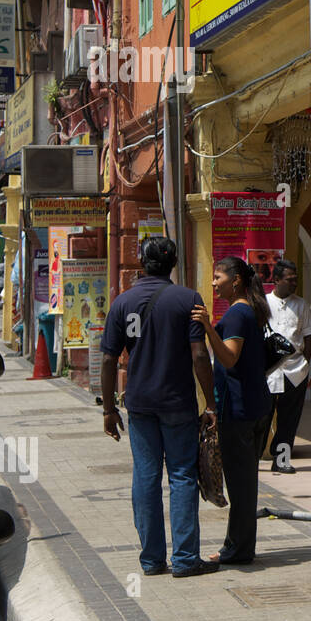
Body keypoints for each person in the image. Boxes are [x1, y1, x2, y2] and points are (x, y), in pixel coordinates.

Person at [100, 237, 220, 578]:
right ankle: (185, 559)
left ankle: (152, 560)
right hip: (178, 402)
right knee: (182, 476)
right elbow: (200, 355)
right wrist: (211, 403)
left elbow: (108, 359)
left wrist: (108, 409)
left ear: (142, 262)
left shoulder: (122, 303)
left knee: (146, 477)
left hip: (139, 404)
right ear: (173, 263)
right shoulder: (188, 299)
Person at [192, 256, 272, 566]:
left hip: (240, 411)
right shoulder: (248, 310)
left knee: (240, 485)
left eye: (218, 277)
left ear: (235, 280)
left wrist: (208, 327)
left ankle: (238, 550)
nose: (214, 283)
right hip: (252, 406)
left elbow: (229, 358)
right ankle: (238, 546)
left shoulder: (238, 314)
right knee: (245, 482)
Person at [264, 259, 311, 475]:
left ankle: (281, 459)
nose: (294, 283)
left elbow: (308, 337)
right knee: (262, 415)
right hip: (268, 371)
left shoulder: (302, 305)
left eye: (296, 279)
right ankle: (254, 457)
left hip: (295, 371)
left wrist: (305, 364)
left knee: (289, 419)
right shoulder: (263, 303)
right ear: (276, 280)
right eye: (290, 279)